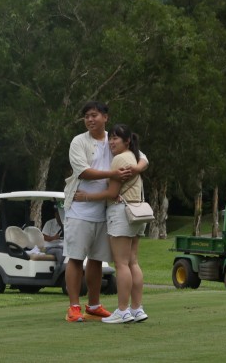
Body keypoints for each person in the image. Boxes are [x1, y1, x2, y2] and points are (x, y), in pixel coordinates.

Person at [61, 101, 147, 323]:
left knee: (97, 259)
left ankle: (94, 305)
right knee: (75, 258)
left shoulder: (114, 139)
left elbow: (142, 156)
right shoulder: (78, 141)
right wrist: (113, 174)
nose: (90, 120)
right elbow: (83, 172)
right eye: (86, 116)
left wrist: (136, 168)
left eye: (94, 115)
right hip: (79, 209)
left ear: (105, 117)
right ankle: (74, 307)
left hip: (105, 211)